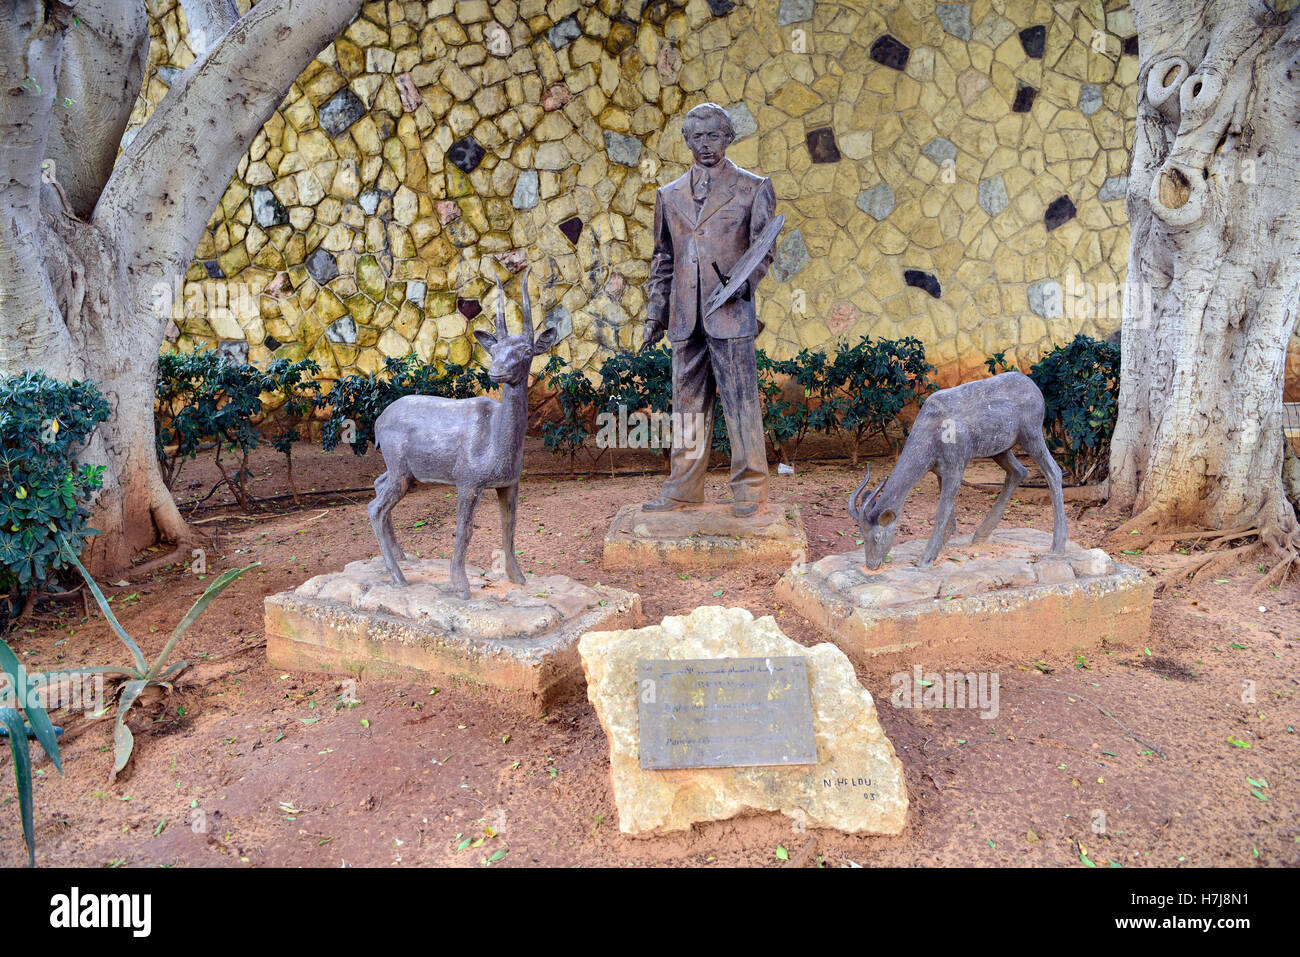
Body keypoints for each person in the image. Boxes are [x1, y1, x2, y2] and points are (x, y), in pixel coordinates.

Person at [642, 102, 777, 518]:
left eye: (713, 136)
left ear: (728, 137)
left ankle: (750, 489)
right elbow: (662, 258)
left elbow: (764, 249)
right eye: (697, 138)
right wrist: (655, 313)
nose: (705, 145)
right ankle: (683, 488)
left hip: (731, 316)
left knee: (741, 405)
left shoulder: (753, 188)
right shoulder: (669, 195)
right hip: (684, 319)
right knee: (687, 407)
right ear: (686, 141)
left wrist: (740, 287)